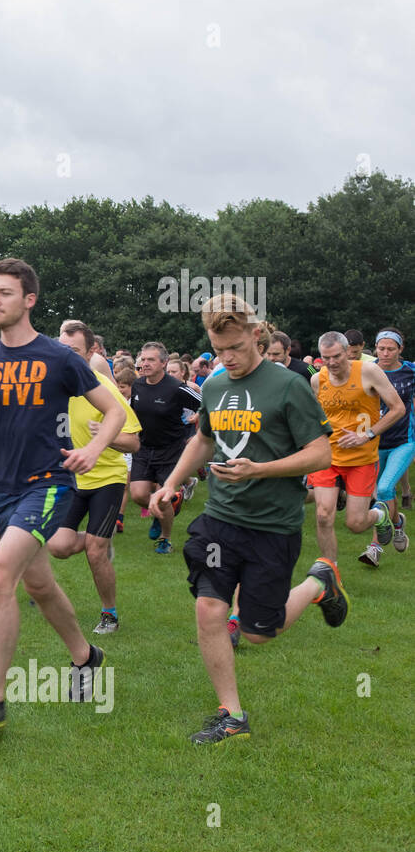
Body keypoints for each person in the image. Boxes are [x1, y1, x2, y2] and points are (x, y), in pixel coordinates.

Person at [149, 295, 347, 744]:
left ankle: (320, 582)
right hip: (221, 518)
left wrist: (259, 469)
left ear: (257, 334)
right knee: (209, 607)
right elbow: (203, 440)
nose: (228, 358)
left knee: (262, 633)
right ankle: (232, 715)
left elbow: (320, 452)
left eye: (235, 347)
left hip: (273, 524)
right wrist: (172, 483)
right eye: (219, 350)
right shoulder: (216, 386)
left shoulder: (289, 385)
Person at [0, 258, 125, 735]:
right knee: (39, 587)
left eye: (4, 292)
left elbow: (114, 412)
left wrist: (91, 449)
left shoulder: (60, 357)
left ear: (29, 300)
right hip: (2, 487)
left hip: (47, 485)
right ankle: (86, 658)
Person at [46, 322, 141, 635]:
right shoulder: (53, 385)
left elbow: (133, 442)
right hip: (72, 478)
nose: (65, 356)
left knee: (96, 552)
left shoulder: (105, 389)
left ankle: (109, 613)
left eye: (73, 351)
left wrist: (108, 437)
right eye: (61, 348)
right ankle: (99, 535)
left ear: (91, 353)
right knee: (58, 546)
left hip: (107, 477)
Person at [309, 331, 404, 568]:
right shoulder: (317, 380)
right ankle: (330, 572)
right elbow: (314, 418)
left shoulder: (368, 371)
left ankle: (380, 516)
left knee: (355, 523)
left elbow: (397, 408)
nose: (331, 363)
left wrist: (368, 435)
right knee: (322, 516)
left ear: (349, 352)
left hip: (361, 458)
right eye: (326, 357)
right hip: (328, 457)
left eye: (336, 356)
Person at [129, 342, 202, 553]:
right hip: (143, 448)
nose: (145, 363)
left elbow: (206, 404)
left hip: (171, 449)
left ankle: (165, 538)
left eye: (151, 359)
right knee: (138, 495)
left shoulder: (176, 388)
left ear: (164, 362)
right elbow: (133, 412)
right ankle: (163, 508)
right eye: (143, 359)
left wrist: (198, 433)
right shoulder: (138, 385)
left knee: (161, 497)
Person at [359, 327, 415, 566]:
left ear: (400, 350)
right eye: (381, 348)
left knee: (383, 490)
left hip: (404, 442)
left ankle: (374, 548)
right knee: (376, 496)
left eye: (390, 349)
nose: (384, 353)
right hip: (374, 442)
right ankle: (398, 524)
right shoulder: (367, 371)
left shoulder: (410, 371)